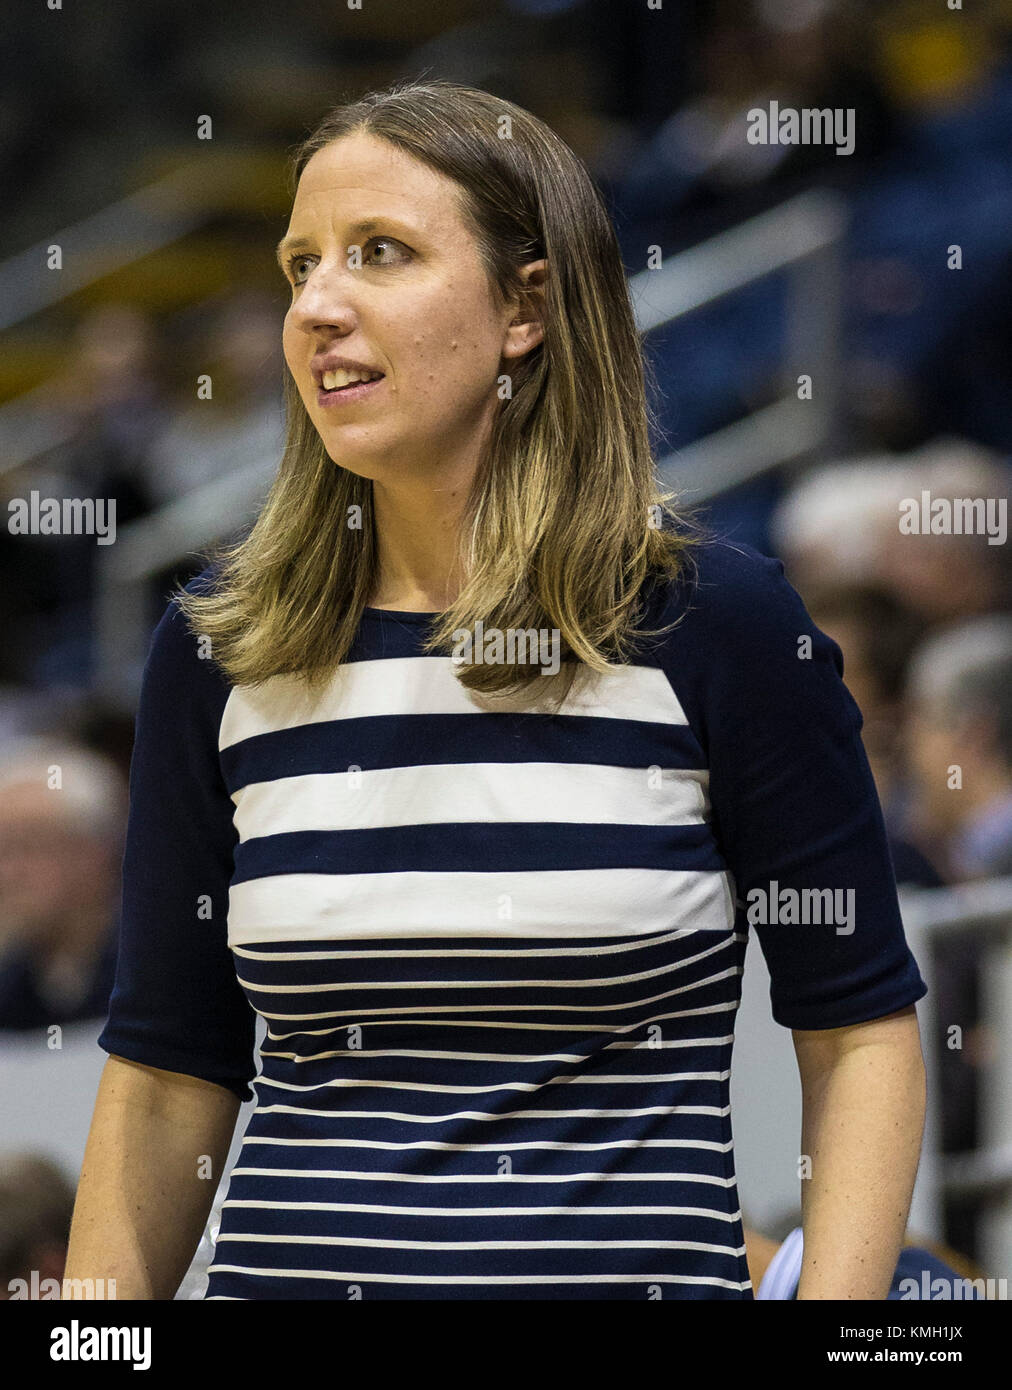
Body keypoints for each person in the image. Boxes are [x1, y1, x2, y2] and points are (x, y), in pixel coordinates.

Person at [65, 79, 927, 1301]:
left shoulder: (716, 626)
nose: (317, 305)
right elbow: (164, 1072)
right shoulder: (216, 650)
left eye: (380, 254)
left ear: (526, 307)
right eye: (299, 264)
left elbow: (859, 1036)